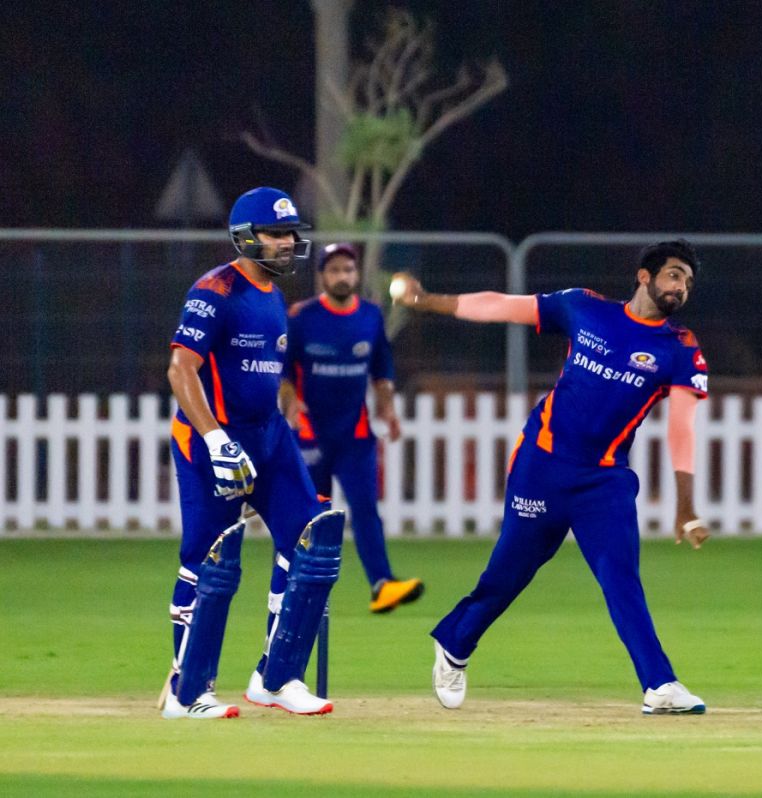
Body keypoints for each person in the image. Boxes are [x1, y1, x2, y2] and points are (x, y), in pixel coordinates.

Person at [392, 239, 712, 715]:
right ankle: (454, 644)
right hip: (541, 466)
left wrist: (685, 504)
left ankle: (659, 685)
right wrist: (429, 301)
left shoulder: (679, 348)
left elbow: (684, 426)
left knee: (620, 577)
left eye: (687, 280)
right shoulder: (583, 308)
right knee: (508, 575)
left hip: (604, 481)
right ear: (644, 277)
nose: (680, 286)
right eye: (673, 274)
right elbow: (502, 306)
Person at [162, 186, 346, 719]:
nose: (288, 243)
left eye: (291, 233)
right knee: (207, 557)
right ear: (245, 238)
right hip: (210, 439)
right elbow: (181, 370)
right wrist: (217, 441)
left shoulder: (273, 298)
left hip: (269, 435)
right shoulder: (215, 290)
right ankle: (186, 689)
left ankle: (277, 676)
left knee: (312, 542)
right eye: (276, 234)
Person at [281, 243, 425, 613]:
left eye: (348, 270)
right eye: (334, 270)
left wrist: (389, 411)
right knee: (313, 517)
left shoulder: (371, 317)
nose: (342, 276)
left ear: (356, 274)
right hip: (310, 433)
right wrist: (290, 403)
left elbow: (381, 371)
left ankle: (383, 585)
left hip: (355, 435)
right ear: (321, 276)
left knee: (365, 510)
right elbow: (283, 373)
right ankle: (302, 589)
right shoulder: (301, 317)